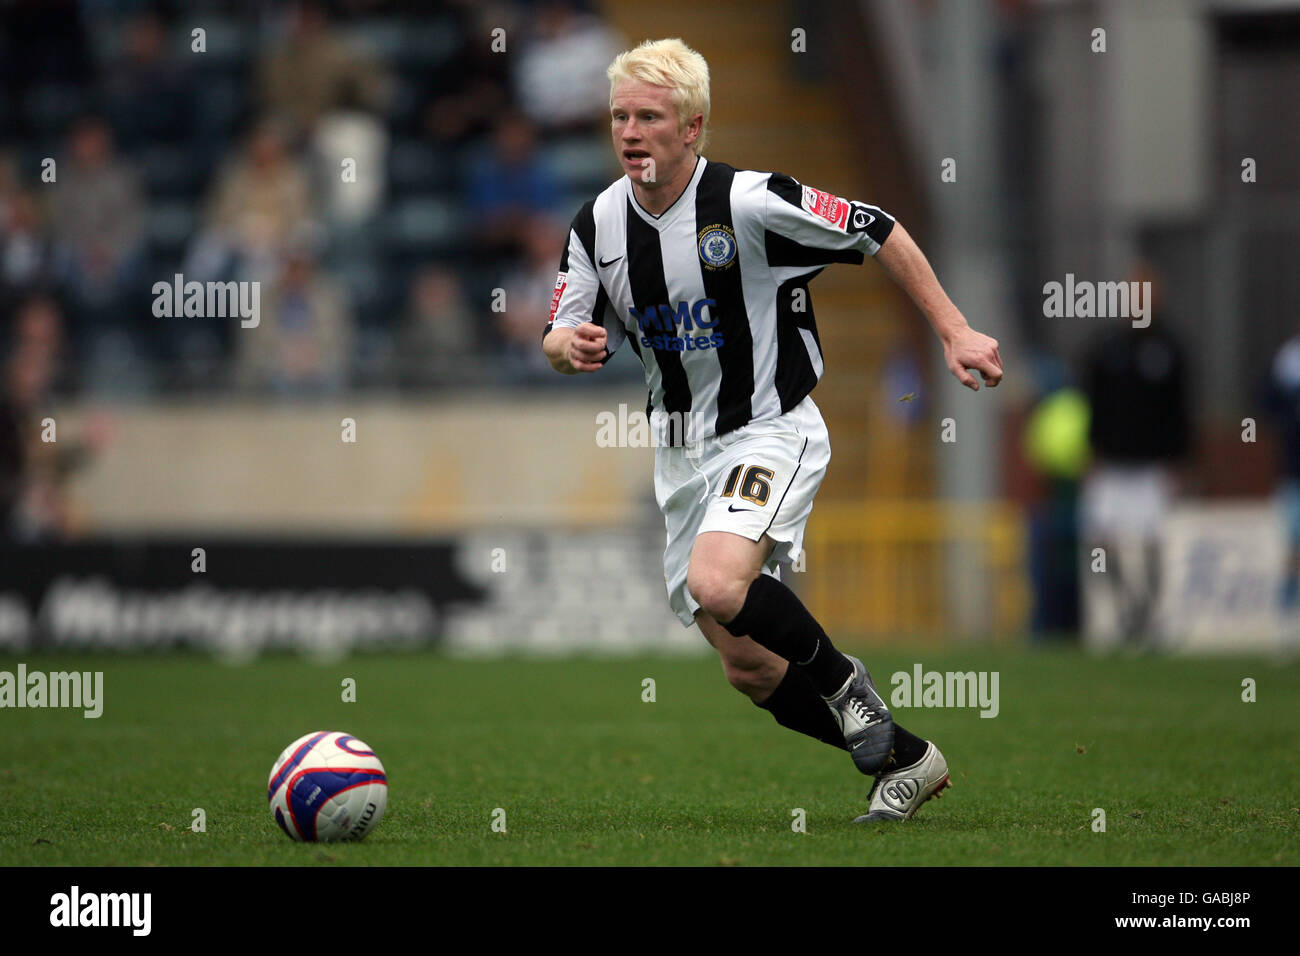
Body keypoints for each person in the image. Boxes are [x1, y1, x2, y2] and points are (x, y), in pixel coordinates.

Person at [541, 39, 1003, 821]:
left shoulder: (749, 204)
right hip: (681, 457)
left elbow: (876, 226)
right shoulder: (598, 224)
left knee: (719, 583)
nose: (629, 131)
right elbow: (561, 327)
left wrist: (954, 330)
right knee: (748, 668)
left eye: (649, 116)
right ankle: (911, 760)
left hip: (767, 429)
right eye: (620, 115)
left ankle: (848, 686)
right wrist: (566, 346)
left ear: (692, 127)